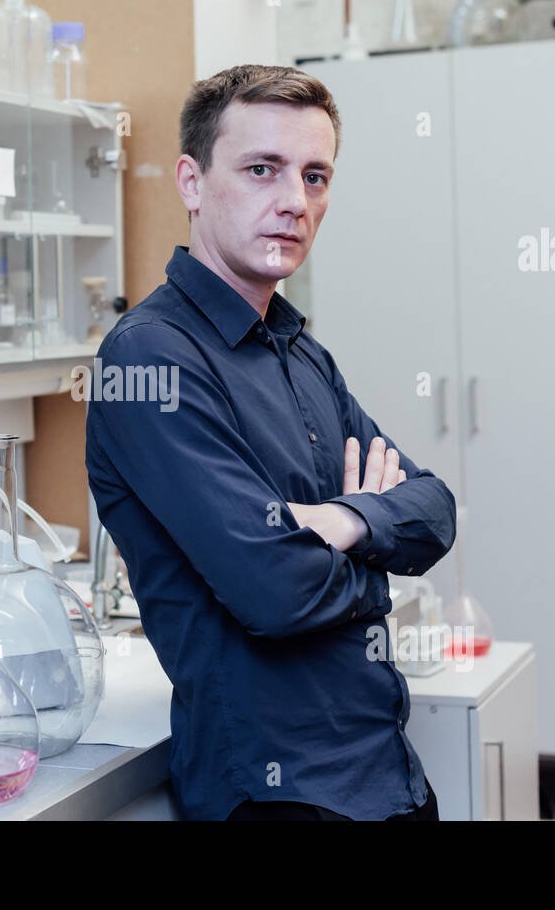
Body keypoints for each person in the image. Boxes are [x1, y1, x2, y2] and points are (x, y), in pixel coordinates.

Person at [83, 65, 457, 821]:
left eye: (315, 176)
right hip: (274, 798)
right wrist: (378, 556)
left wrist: (342, 522)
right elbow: (275, 591)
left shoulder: (301, 352)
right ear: (191, 181)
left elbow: (437, 509)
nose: (294, 201)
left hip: (387, 776)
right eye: (262, 170)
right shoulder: (149, 359)